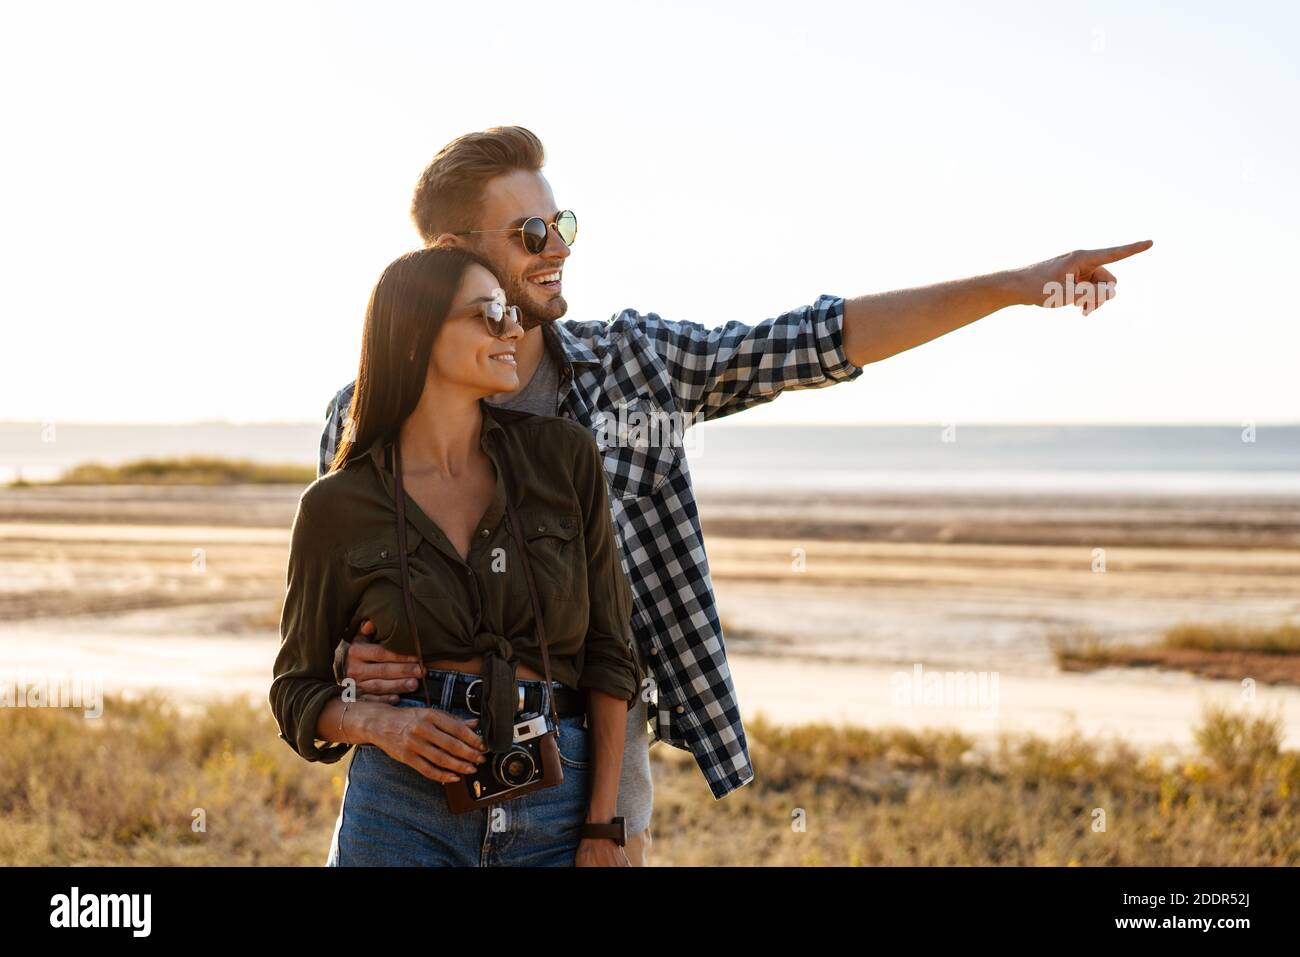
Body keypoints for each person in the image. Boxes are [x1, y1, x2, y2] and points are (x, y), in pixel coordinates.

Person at [319, 126, 1154, 867]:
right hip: (415, 786)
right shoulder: (366, 417)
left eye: (563, 224)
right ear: (450, 251)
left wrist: (1014, 284)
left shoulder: (632, 366)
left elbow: (809, 341)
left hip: (584, 769)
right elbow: (325, 623)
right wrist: (347, 672)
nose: (559, 247)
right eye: (532, 231)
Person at [271, 245, 643, 866]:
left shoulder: (563, 459)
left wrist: (602, 826)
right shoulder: (336, 506)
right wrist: (378, 724)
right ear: (416, 336)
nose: (514, 328)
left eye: (510, 311)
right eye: (488, 313)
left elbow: (610, 652)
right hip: (400, 808)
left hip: (558, 800)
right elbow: (295, 690)